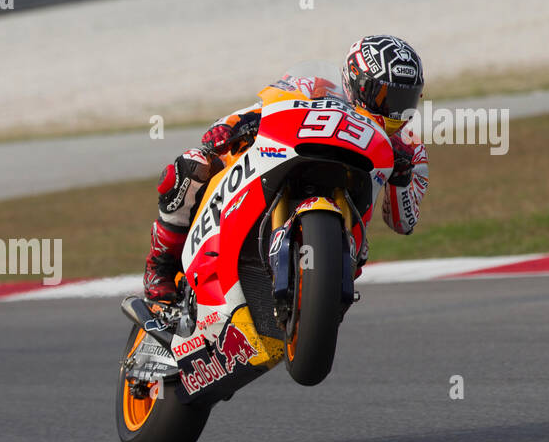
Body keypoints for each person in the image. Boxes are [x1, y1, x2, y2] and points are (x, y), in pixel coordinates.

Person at [143, 34, 431, 301]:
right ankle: (160, 268)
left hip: (343, 239)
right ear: (356, 81)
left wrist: (402, 176)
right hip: (280, 160)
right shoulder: (317, 87)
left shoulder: (409, 147)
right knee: (192, 166)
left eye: (403, 101)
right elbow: (269, 105)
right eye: (384, 97)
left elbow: (403, 223)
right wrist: (236, 123)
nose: (393, 110)